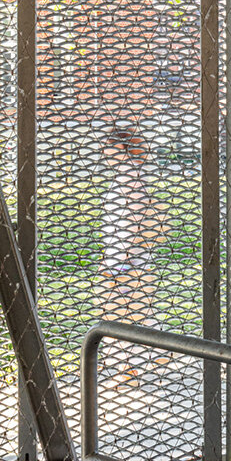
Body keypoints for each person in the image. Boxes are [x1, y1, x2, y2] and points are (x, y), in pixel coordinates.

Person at [101, 127, 166, 383]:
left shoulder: (131, 178)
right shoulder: (129, 176)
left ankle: (128, 370)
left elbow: (135, 222)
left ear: (122, 148)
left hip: (125, 261)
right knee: (133, 314)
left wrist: (121, 263)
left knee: (121, 315)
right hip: (122, 258)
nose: (105, 151)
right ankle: (148, 360)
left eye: (109, 146)